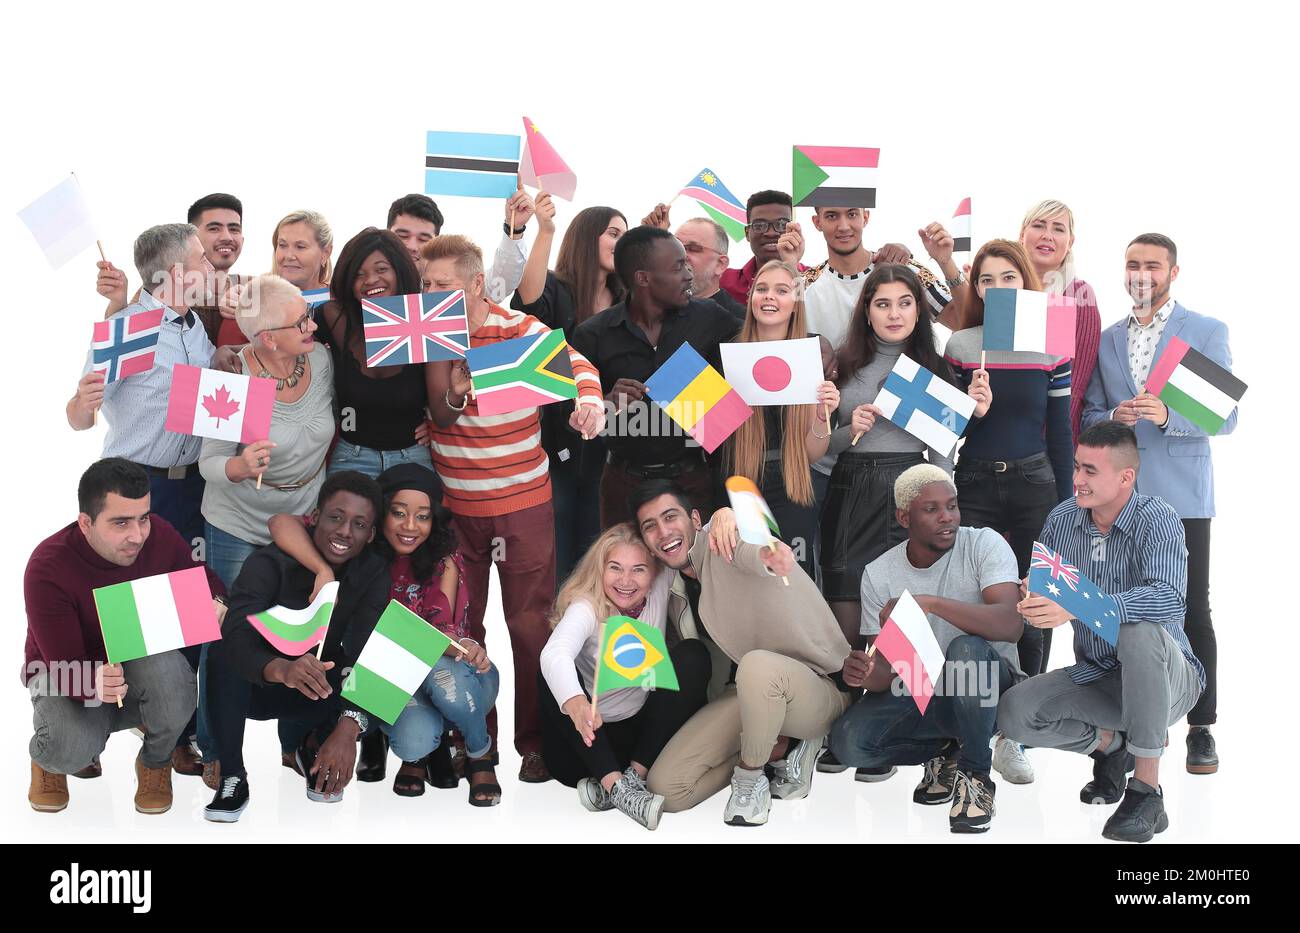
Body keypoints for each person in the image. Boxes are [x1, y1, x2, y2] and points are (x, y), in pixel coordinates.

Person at [424, 234, 605, 783]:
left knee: (530, 627)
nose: (430, 293)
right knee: (458, 626)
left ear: (477, 284)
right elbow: (418, 404)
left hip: (523, 502)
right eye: (426, 285)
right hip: (454, 509)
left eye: (442, 285)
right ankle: (472, 741)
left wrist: (590, 404)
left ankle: (536, 742)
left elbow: (582, 368)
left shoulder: (521, 331)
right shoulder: (424, 333)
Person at [998, 422, 1204, 843]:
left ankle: (1147, 791)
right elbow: (1044, 583)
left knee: (1136, 630)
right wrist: (1030, 594)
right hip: (1101, 674)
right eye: (1076, 467)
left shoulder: (1159, 518)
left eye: (1090, 471)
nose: (1076, 479)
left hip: (1170, 678)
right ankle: (1112, 744)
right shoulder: (1063, 517)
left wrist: (1077, 605)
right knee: (1015, 713)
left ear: (1126, 477)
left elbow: (1168, 600)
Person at [1082, 233, 1235, 775]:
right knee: (1118, 612)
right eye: (1132, 265)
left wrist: (1170, 418)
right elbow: (1092, 407)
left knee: (1191, 608)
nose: (1141, 274)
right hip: (1119, 498)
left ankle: (1201, 727)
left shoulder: (1204, 331)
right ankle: (1125, 731)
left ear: (1173, 272)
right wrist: (1111, 419)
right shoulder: (1107, 339)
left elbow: (1226, 418)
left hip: (1182, 496)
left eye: (1152, 265)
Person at [271, 463, 503, 804]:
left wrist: (466, 644)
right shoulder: (358, 545)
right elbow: (281, 522)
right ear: (381, 515)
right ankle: (421, 755)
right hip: (392, 680)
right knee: (414, 740)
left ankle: (479, 751)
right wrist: (321, 568)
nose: (411, 526)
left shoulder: (444, 559)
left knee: (445, 681)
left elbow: (444, 633)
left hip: (452, 672)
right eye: (399, 513)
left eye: (422, 516)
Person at [635, 483, 855, 827]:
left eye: (670, 517)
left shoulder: (726, 541)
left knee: (756, 665)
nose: (663, 532)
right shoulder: (675, 589)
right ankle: (781, 748)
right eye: (650, 526)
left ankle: (751, 781)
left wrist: (767, 550)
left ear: (695, 519)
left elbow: (756, 550)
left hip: (817, 687)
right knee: (668, 788)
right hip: (747, 693)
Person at [829, 465, 1024, 833]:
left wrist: (932, 603)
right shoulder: (880, 572)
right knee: (849, 743)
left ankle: (975, 776)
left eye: (951, 505)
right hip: (924, 689)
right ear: (904, 517)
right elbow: (886, 672)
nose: (947, 517)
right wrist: (867, 674)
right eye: (931, 509)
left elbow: (1010, 626)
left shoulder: (984, 543)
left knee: (965, 651)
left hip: (989, 688)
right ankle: (945, 750)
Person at [25, 459, 225, 814]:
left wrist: (216, 600)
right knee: (68, 747)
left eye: (143, 517)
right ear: (85, 523)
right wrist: (93, 683)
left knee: (176, 683)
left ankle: (155, 762)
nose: (137, 535)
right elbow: (62, 663)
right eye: (120, 522)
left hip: (132, 654)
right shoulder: (47, 566)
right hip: (65, 670)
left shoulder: (158, 534)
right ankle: (50, 760)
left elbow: (199, 576)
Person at [943, 240, 1072, 788]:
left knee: (1033, 603)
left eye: (1008, 277)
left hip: (1034, 485)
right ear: (977, 289)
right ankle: (958, 735)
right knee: (972, 603)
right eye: (987, 279)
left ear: (1026, 282)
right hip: (972, 482)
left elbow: (1061, 430)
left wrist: (1069, 508)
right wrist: (971, 410)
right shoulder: (962, 344)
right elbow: (945, 434)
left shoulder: (1052, 344)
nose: (998, 287)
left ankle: (1015, 731)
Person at [203, 471, 390, 822]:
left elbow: (373, 652)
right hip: (261, 686)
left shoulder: (374, 571)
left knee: (381, 672)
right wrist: (282, 669)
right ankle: (232, 776)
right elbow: (238, 636)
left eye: (359, 524)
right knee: (219, 650)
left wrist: (348, 730)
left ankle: (315, 744)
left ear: (371, 535)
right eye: (335, 517)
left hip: (320, 689)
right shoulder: (269, 563)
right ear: (315, 517)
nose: (345, 531)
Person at [539, 524, 711, 830]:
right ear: (599, 570)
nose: (626, 581)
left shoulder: (659, 585)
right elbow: (555, 654)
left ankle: (631, 780)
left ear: (654, 572)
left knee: (692, 655)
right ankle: (615, 787)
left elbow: (690, 538)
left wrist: (723, 517)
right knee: (553, 676)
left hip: (639, 743)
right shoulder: (587, 605)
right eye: (615, 568)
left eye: (638, 570)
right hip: (587, 745)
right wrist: (577, 704)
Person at [819, 265, 957, 644]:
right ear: (867, 311)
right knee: (846, 627)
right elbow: (818, 445)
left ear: (918, 310)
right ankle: (844, 701)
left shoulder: (934, 368)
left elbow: (942, 451)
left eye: (904, 303)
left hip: (911, 488)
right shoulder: (842, 364)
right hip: (851, 490)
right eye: (883, 304)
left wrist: (944, 505)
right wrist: (850, 431)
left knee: (904, 626)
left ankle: (898, 702)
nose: (894, 314)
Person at [570, 225, 740, 527]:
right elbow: (567, 419)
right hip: (623, 486)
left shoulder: (711, 318)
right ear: (643, 278)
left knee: (695, 573)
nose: (688, 275)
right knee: (627, 574)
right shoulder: (592, 335)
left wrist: (819, 343)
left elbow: (766, 341)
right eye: (678, 267)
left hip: (693, 482)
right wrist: (605, 402)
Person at [70, 223, 217, 552]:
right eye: (203, 260)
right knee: (131, 589)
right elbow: (79, 419)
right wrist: (82, 403)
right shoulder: (130, 328)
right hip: (132, 489)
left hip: (192, 487)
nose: (210, 268)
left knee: (186, 589)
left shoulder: (195, 328)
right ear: (177, 274)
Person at [512, 198, 628, 582]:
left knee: (600, 561)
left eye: (626, 236)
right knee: (558, 564)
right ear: (585, 237)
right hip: (552, 449)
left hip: (610, 455)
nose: (621, 242)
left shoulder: (628, 303)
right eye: (614, 233)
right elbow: (527, 304)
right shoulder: (557, 289)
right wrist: (545, 230)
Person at [720, 260, 839, 578]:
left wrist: (819, 416)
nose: (769, 296)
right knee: (748, 583)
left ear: (796, 301)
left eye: (781, 290)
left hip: (793, 488)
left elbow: (813, 453)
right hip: (742, 485)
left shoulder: (810, 356)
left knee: (793, 583)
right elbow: (713, 436)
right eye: (761, 288)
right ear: (750, 298)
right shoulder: (730, 353)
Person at [317, 227, 437, 478]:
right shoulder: (333, 316)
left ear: (399, 271)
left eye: (381, 269)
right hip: (351, 457)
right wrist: (229, 350)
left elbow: (447, 403)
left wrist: (438, 423)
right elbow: (282, 337)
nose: (370, 280)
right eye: (359, 275)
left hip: (412, 456)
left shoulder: (427, 317)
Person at [803, 205, 963, 353]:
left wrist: (946, 263)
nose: (844, 226)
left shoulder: (904, 269)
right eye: (832, 216)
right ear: (817, 222)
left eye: (852, 214)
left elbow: (960, 322)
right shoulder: (803, 286)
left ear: (865, 217)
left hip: (903, 383)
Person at [1018, 199, 1103, 445]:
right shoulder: (1000, 288)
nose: (1047, 235)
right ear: (1022, 234)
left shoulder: (1078, 295)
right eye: (1039, 225)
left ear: (1071, 241)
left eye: (1058, 228)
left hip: (1049, 442)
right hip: (996, 434)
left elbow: (1074, 386)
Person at [387, 189, 534, 304]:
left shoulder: (447, 288)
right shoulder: (369, 282)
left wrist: (514, 227)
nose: (412, 246)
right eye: (403, 236)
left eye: (423, 239)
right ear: (387, 233)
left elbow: (499, 284)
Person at [640, 203, 746, 319]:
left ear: (720, 264)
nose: (681, 255)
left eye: (693, 249)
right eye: (676, 246)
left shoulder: (740, 323)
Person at [717, 190, 809, 303]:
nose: (771, 233)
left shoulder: (814, 279)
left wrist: (792, 267)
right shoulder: (724, 282)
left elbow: (803, 313)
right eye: (759, 225)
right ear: (747, 233)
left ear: (794, 229)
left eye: (781, 224)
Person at [271, 210, 334, 293]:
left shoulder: (343, 301)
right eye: (282, 245)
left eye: (300, 247)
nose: (289, 256)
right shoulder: (257, 298)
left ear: (325, 253)